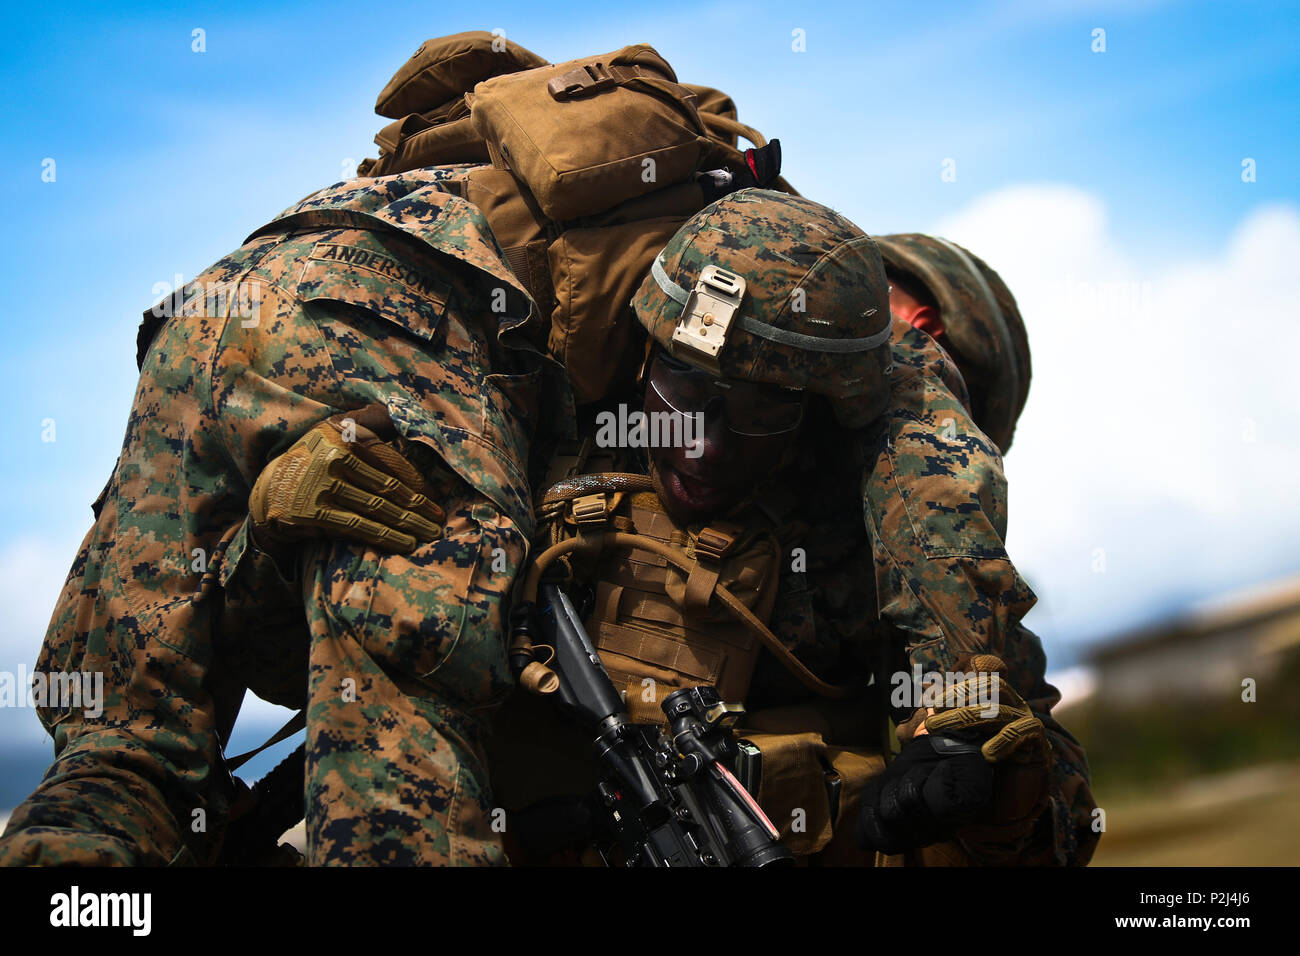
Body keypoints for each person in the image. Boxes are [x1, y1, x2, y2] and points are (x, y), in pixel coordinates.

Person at [305, 188, 1099, 865]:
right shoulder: (538, 410)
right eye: (686, 390)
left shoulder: (893, 562)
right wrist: (282, 532)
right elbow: (305, 663)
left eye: (760, 412)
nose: (702, 445)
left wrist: (996, 782)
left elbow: (1055, 814)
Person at [0, 167, 567, 867]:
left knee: (124, 735)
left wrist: (266, 532)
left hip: (204, 315)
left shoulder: (410, 170)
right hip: (379, 315)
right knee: (397, 715)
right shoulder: (633, 208)